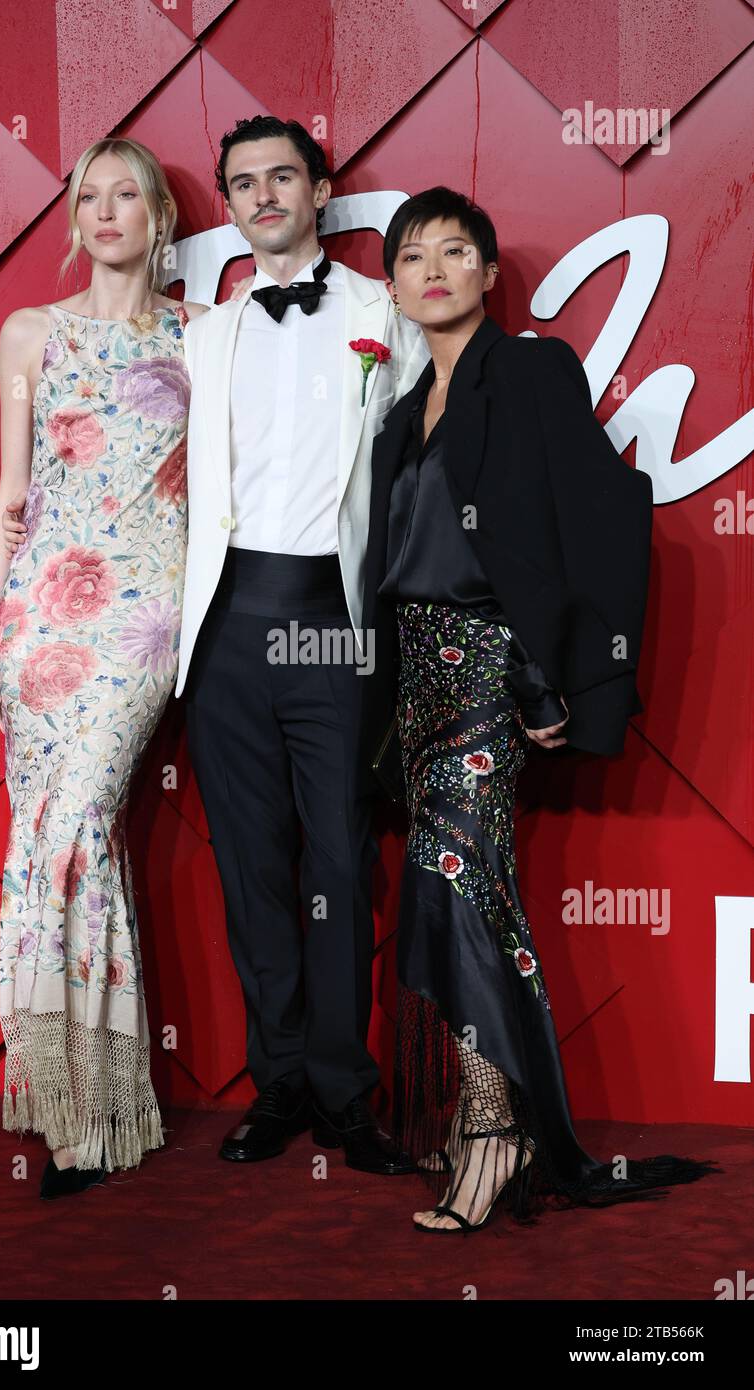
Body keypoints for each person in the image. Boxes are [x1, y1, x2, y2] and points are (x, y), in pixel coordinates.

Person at [359, 185, 721, 1232]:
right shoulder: (392, 417)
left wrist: (548, 669)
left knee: (455, 884)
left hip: (484, 664)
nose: (433, 269)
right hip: (413, 673)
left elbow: (591, 513)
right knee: (450, 892)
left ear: (486, 274)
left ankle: (492, 1132)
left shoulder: (528, 370)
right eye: (412, 256)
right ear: (390, 285)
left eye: (455, 251)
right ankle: (495, 1119)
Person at [174, 116, 432, 1173]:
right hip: (228, 617)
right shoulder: (207, 332)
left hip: (331, 620)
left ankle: (342, 1090)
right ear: (229, 204)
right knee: (252, 870)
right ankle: (275, 1084)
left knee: (336, 859)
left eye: (283, 175)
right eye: (243, 182)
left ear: (321, 188)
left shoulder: (385, 314)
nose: (263, 194)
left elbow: (423, 479)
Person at [0, 137, 212, 1199]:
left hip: (140, 626)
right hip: (38, 618)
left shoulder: (206, 337)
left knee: (76, 827)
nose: (107, 210)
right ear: (73, 219)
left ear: (160, 216)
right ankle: (74, 1107)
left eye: (129, 194)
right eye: (90, 195)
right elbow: (11, 495)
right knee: (45, 840)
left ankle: (98, 1103)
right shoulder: (31, 333)